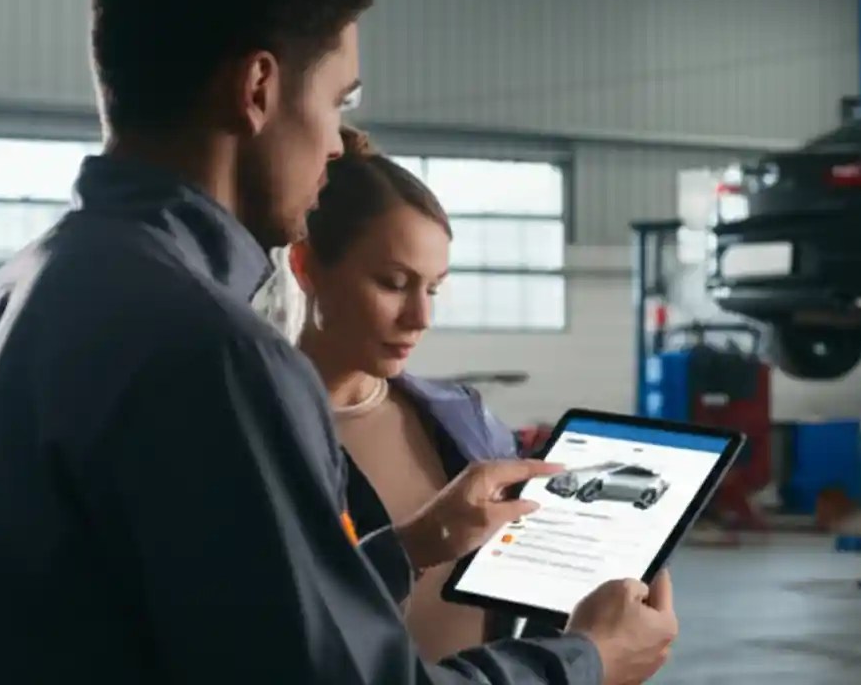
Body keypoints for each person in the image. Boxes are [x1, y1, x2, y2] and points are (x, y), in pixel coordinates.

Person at [0, 0, 678, 684]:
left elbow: (210, 621)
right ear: (258, 87)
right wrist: (586, 659)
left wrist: (404, 549)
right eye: (339, 101)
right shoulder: (217, 354)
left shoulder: (13, 296)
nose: (336, 145)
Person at [255, 127, 628, 661]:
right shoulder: (255, 430)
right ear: (306, 266)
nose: (420, 317)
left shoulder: (463, 422)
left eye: (432, 288)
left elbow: (528, 597)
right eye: (392, 283)